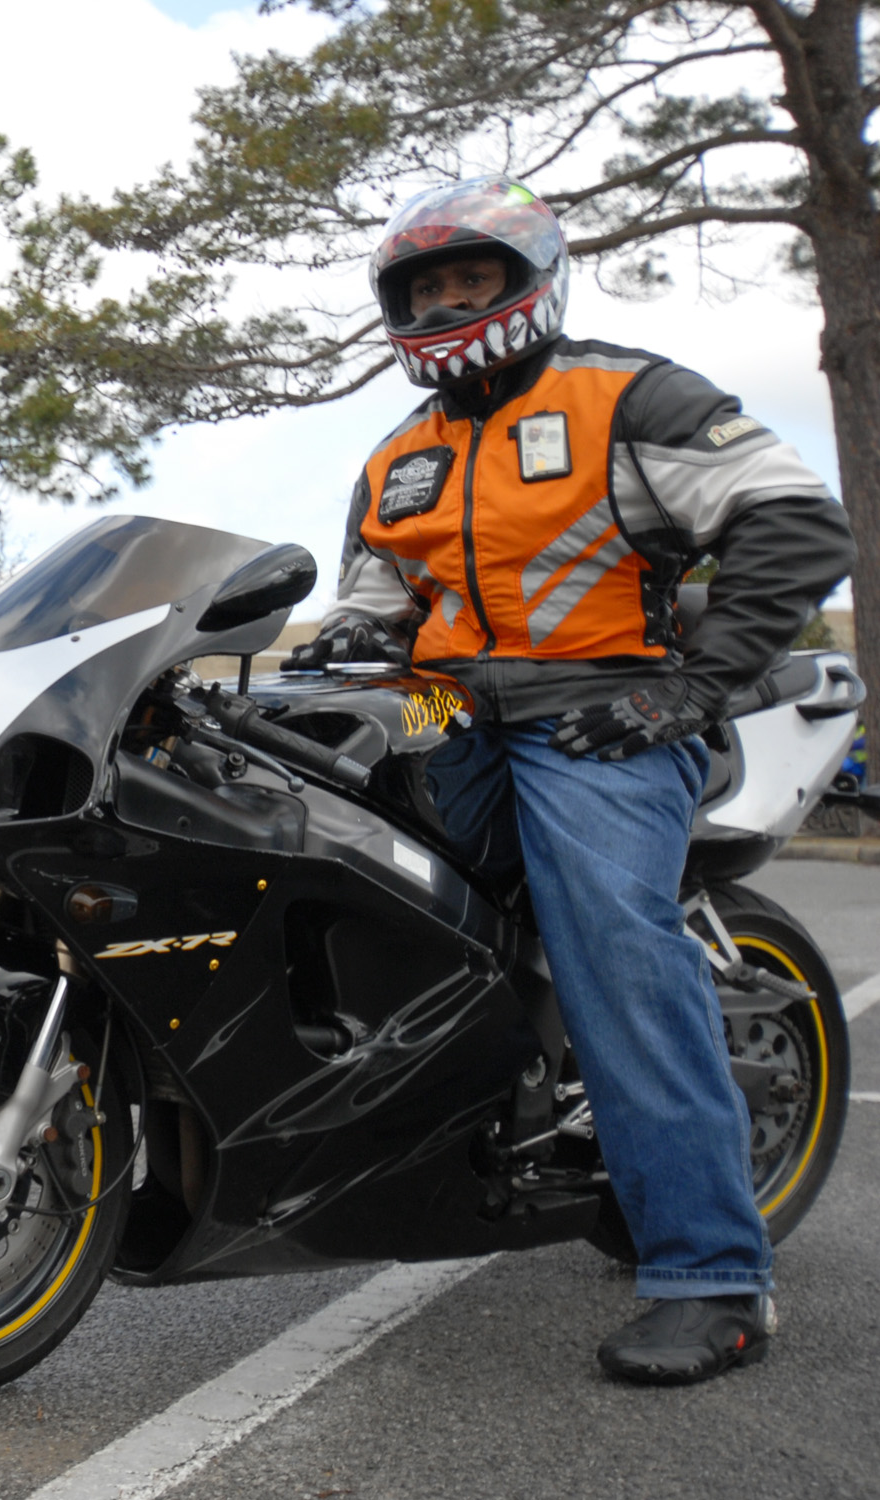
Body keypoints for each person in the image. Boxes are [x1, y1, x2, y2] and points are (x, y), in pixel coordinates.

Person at [288, 177, 854, 1385]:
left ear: (529, 281)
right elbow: (374, 604)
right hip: (449, 705)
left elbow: (798, 523)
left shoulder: (630, 396)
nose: (446, 302)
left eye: (469, 281)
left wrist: (695, 685)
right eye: (426, 288)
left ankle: (713, 1273)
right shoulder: (399, 457)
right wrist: (337, 648)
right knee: (309, 826)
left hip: (602, 703)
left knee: (610, 931)